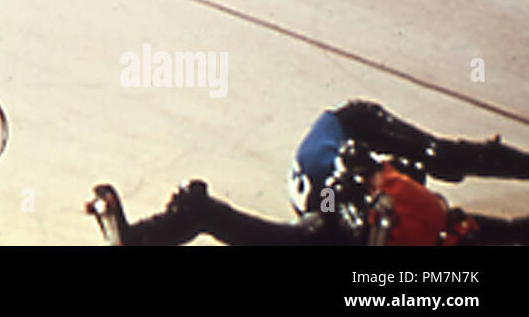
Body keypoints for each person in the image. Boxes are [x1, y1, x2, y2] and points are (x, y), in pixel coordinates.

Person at [88, 100, 529, 246]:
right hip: (342, 177)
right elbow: (210, 216)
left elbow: (507, 230)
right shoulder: (330, 228)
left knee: (437, 156)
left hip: (346, 157)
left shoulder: (332, 228)